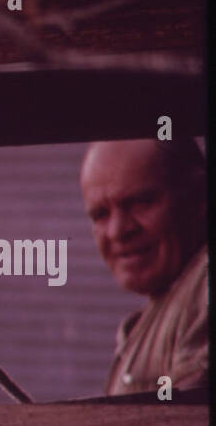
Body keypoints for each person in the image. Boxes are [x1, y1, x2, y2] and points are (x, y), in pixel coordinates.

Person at [79, 138, 207, 396]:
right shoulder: (163, 305)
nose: (117, 231)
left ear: (198, 197)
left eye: (140, 202)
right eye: (100, 214)